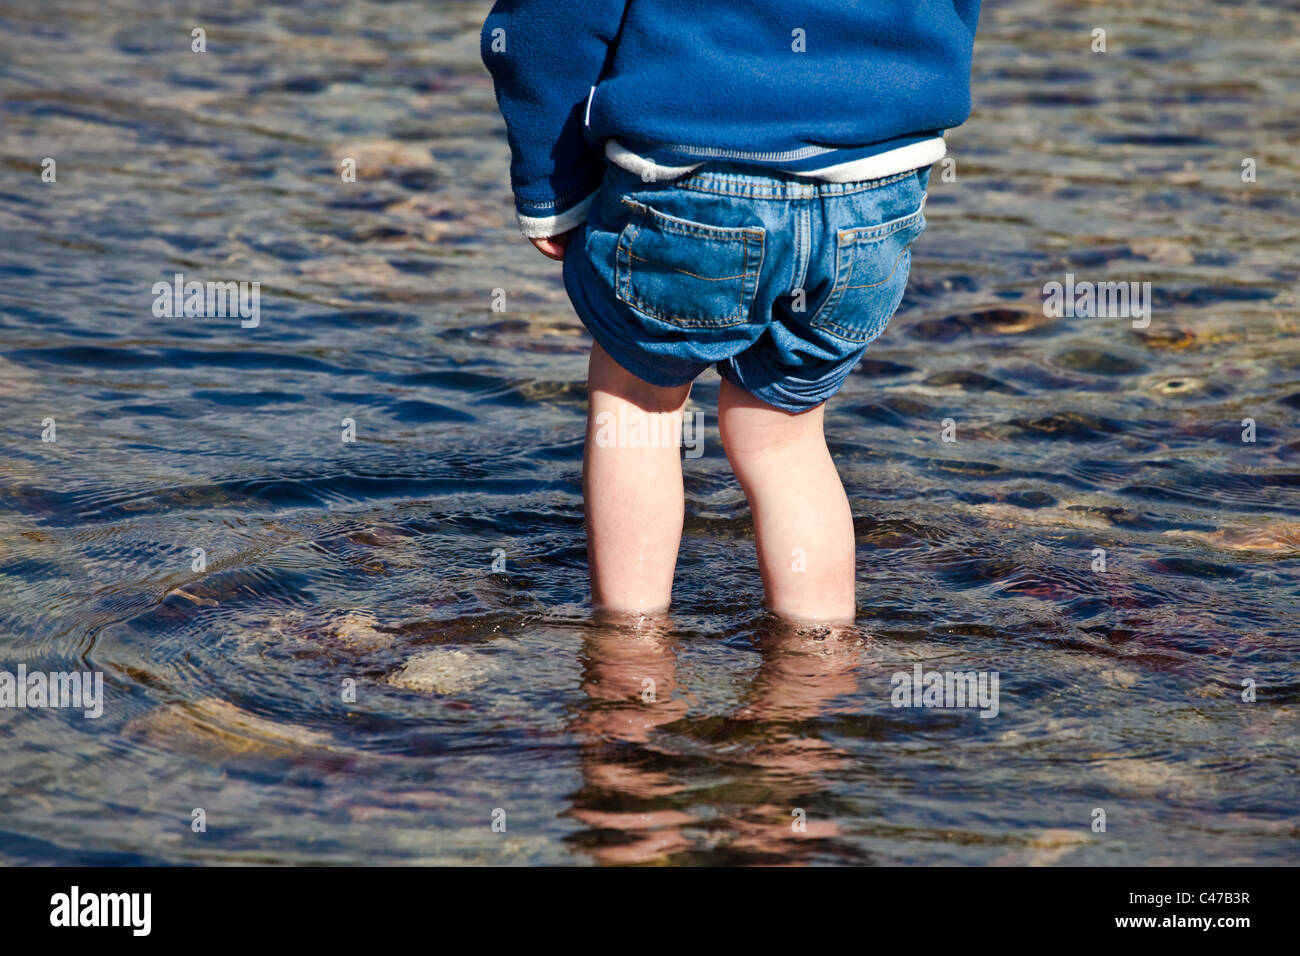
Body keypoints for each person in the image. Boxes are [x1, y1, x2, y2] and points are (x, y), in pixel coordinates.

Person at [482, 1, 981, 622]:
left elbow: (545, 25)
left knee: (637, 405)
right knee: (783, 439)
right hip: (876, 186)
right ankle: (810, 675)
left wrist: (550, 185)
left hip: (693, 173)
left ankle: (629, 657)